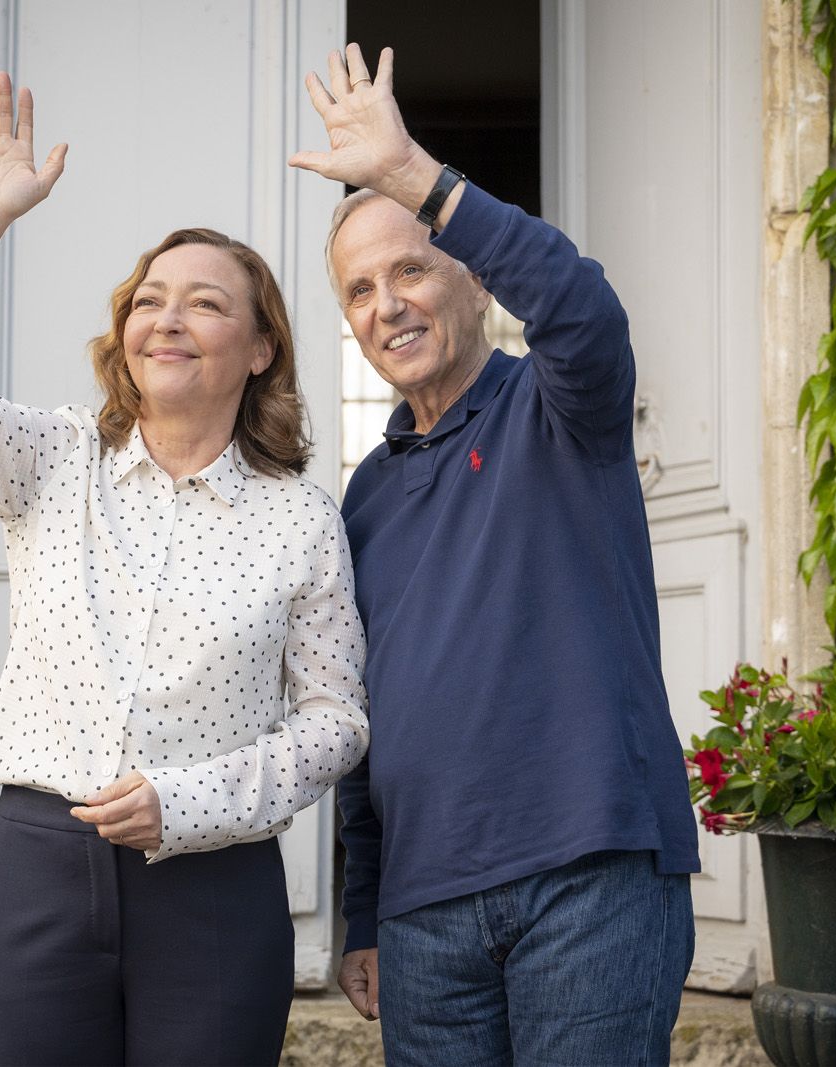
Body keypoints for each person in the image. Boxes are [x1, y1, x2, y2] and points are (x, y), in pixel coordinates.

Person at [0, 72, 368, 1066]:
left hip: (216, 892)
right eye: (149, 299)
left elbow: (334, 721)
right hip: (39, 873)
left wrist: (189, 802)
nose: (165, 318)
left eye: (205, 303)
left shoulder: (301, 518)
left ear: (261, 348)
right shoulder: (50, 459)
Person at [288, 45, 700, 1065]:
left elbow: (582, 307)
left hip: (590, 874)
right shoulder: (365, 494)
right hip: (426, 912)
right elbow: (361, 714)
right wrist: (363, 911)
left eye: (411, 268)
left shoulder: (562, 407)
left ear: (474, 282)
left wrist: (412, 179)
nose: (386, 304)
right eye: (358, 290)